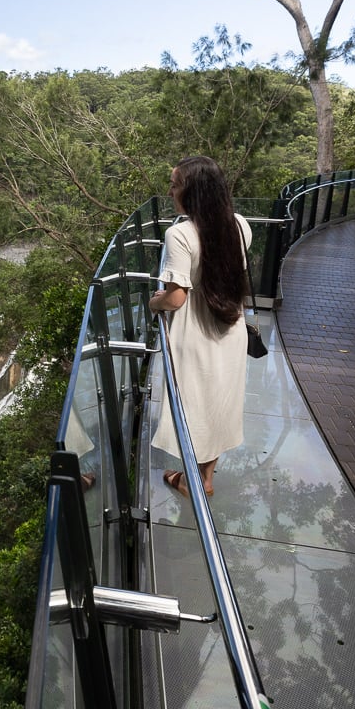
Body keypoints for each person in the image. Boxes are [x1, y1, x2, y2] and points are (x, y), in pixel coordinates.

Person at [149, 155, 252, 497]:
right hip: (230, 329)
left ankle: (191, 481)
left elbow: (176, 298)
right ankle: (204, 479)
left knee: (192, 405)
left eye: (175, 184)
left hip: (195, 333)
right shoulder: (239, 224)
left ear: (193, 193)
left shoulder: (179, 233)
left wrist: (154, 301)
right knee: (219, 403)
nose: (170, 190)